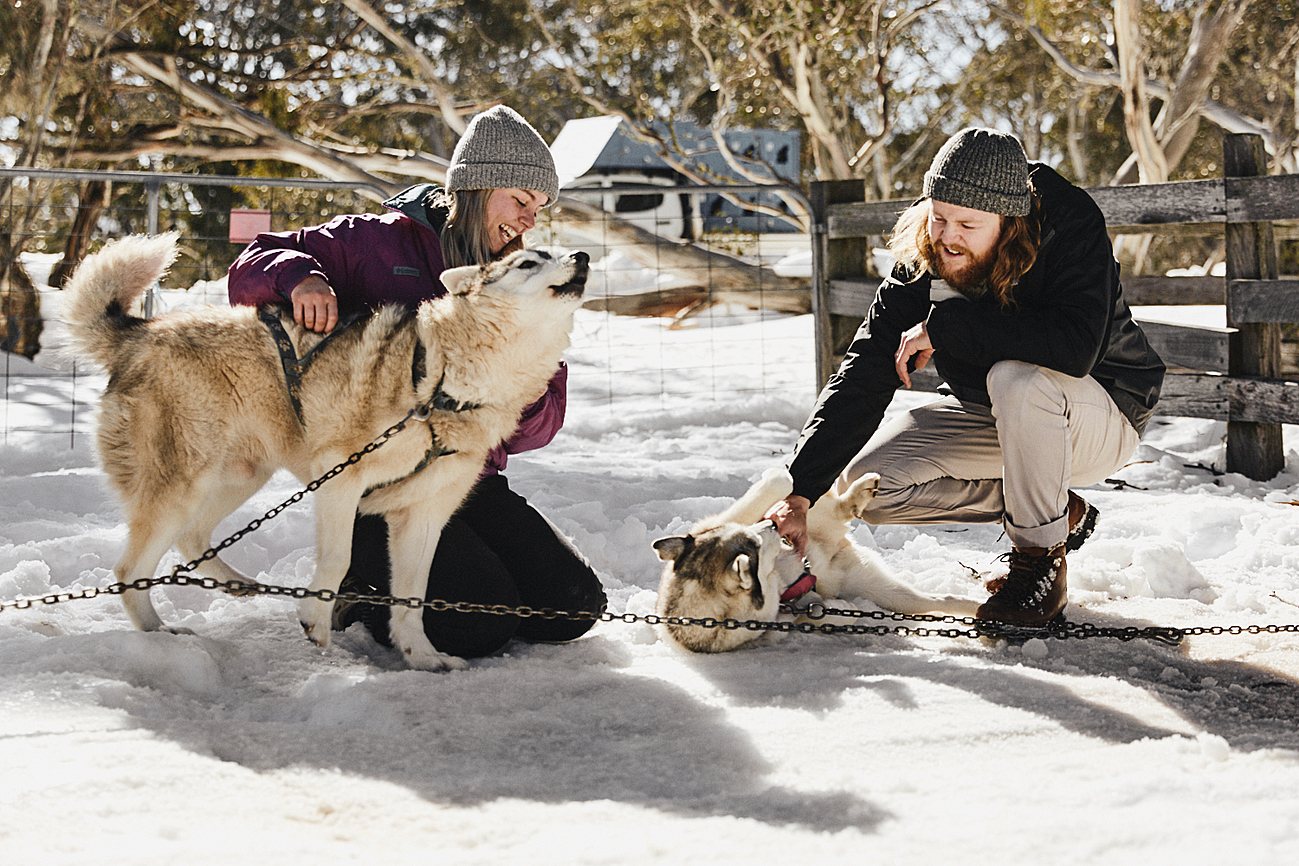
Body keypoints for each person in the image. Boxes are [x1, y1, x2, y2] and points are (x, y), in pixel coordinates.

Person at [227, 105, 607, 658]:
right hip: (373, 479)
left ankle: (464, 583)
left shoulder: (524, 275)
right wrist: (302, 277)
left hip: (463, 475)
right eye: (520, 201)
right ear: (475, 188)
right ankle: (363, 591)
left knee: (571, 607)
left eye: (539, 209)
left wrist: (519, 386)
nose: (529, 221)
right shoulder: (379, 241)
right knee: (476, 625)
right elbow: (253, 260)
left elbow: (534, 431)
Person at [765, 127, 1165, 626]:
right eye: (939, 218)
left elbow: (1075, 347)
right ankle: (1060, 512)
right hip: (997, 415)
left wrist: (947, 326)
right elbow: (867, 366)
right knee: (868, 485)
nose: (947, 237)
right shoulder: (927, 253)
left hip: (1101, 412)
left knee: (1018, 378)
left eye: (967, 225)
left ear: (1010, 220)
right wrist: (799, 489)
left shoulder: (1069, 223)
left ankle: (1039, 565)